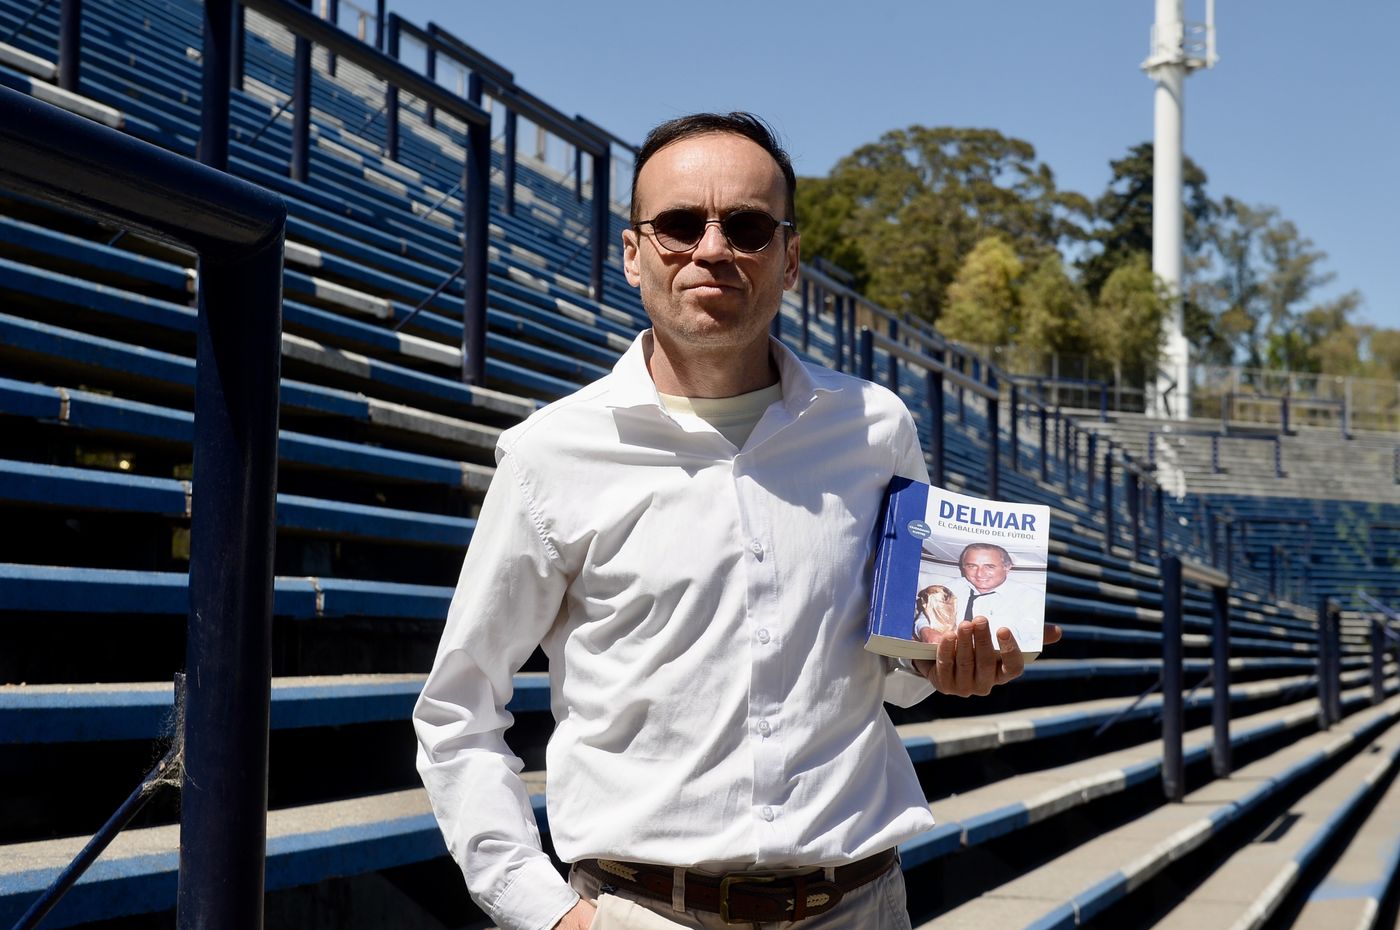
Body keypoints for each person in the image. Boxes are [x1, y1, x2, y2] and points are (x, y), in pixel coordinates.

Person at [413, 112, 1060, 930]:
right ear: (632, 253)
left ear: (789, 259)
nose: (712, 249)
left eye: (748, 227)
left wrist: (942, 668)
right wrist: (544, 912)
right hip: (641, 913)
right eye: (680, 224)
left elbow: (894, 674)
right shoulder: (550, 456)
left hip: (860, 903)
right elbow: (456, 714)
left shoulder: (875, 429)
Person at [955, 544, 1045, 639]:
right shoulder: (950, 589)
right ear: (964, 567)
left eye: (989, 567)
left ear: (1007, 567)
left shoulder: (1032, 599)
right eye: (972, 566)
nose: (980, 574)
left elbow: (1035, 643)